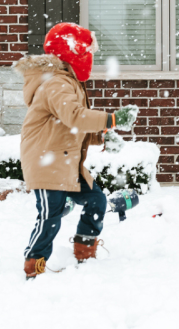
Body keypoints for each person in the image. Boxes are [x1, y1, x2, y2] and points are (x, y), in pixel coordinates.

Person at [17, 22, 138, 278]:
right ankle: (34, 265)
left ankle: (84, 251)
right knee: (50, 216)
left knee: (96, 200)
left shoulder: (66, 80)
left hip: (64, 162)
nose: (90, 59)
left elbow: (69, 126)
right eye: (87, 53)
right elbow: (74, 116)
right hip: (46, 162)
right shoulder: (56, 83)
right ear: (73, 53)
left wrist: (101, 136)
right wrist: (112, 119)